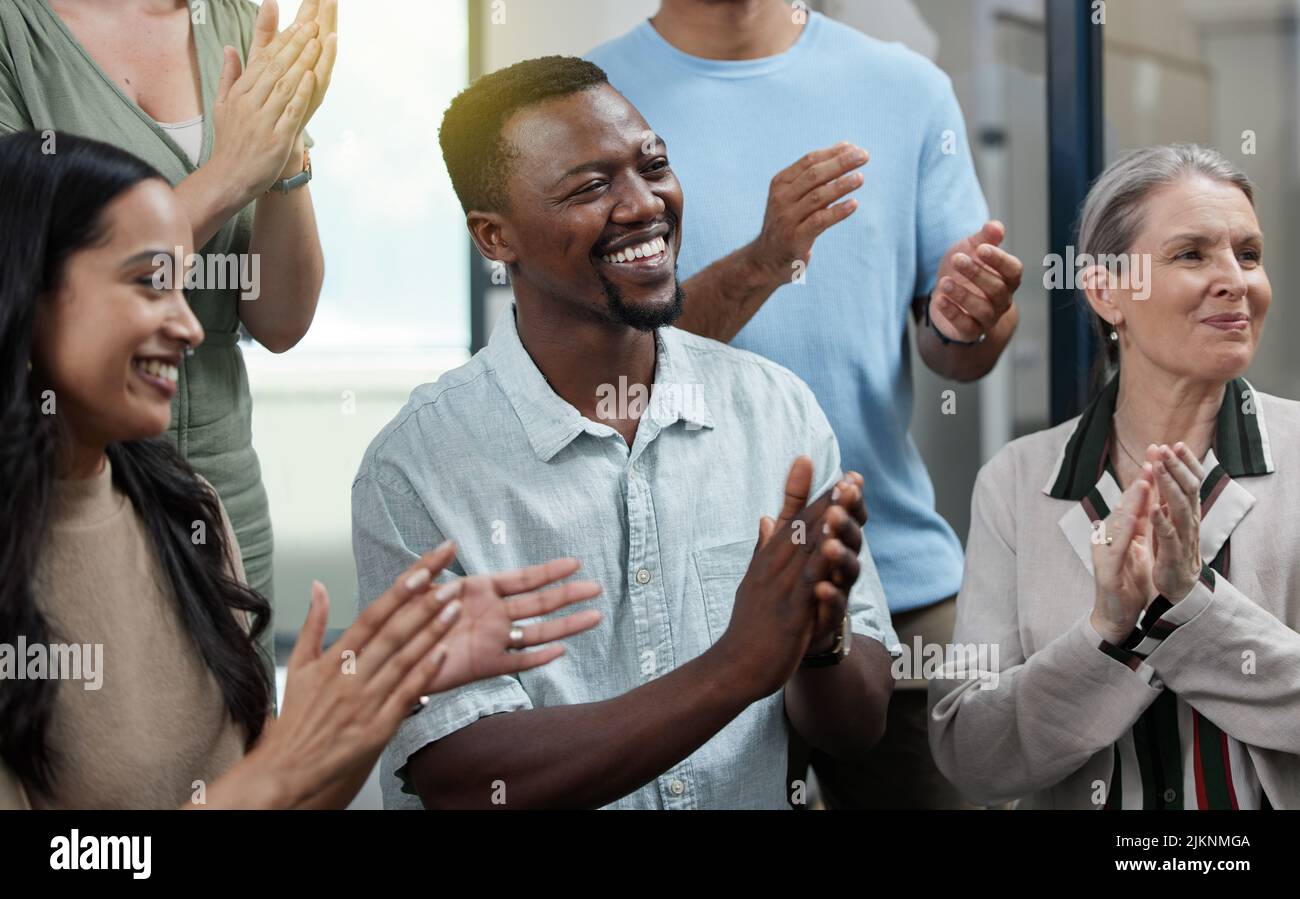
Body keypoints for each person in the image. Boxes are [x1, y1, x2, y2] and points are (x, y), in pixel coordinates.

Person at [351, 56, 899, 810]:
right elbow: (465, 776)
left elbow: (859, 725)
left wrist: (818, 641)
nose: (645, 205)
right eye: (590, 187)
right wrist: (737, 664)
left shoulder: (777, 412)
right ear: (494, 236)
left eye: (654, 165)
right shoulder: (417, 466)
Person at [0, 131, 600, 809]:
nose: (191, 327)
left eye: (185, 285)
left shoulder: (183, 510)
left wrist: (370, 704)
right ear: (25, 292)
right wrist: (280, 765)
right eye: (148, 283)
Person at [586, 0, 1023, 807]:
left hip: (889, 588)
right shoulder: (588, 101)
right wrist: (763, 259)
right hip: (672, 605)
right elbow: (598, 363)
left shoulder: (908, 89)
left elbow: (956, 345)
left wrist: (969, 322)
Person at [929, 144, 1300, 809]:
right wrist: (1105, 631)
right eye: (1192, 254)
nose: (1235, 280)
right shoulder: (1015, 481)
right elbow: (970, 750)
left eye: (1248, 254)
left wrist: (1192, 609)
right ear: (1106, 291)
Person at [0, 0, 337, 629]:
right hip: (63, 486)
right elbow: (29, 280)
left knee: (241, 719)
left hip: (224, 495)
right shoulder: (15, 33)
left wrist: (284, 152)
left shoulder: (232, 19)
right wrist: (235, 171)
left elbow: (281, 322)